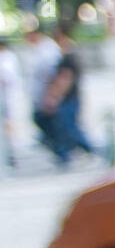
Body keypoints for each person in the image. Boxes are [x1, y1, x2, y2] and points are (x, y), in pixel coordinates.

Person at [40, 22, 96, 168]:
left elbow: (66, 78)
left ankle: (88, 151)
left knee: (69, 127)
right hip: (70, 97)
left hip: (69, 97)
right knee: (67, 126)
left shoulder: (68, 55)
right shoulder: (68, 53)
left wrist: (55, 96)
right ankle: (69, 153)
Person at [23, 24, 62, 154]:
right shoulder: (37, 49)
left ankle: (62, 149)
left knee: (51, 122)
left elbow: (52, 73)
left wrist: (51, 95)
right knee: (40, 119)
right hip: (38, 93)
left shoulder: (48, 49)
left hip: (47, 92)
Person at [0, 40, 22, 168]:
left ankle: (10, 155)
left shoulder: (7, 58)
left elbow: (7, 77)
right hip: (7, 99)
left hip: (7, 99)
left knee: (7, 127)